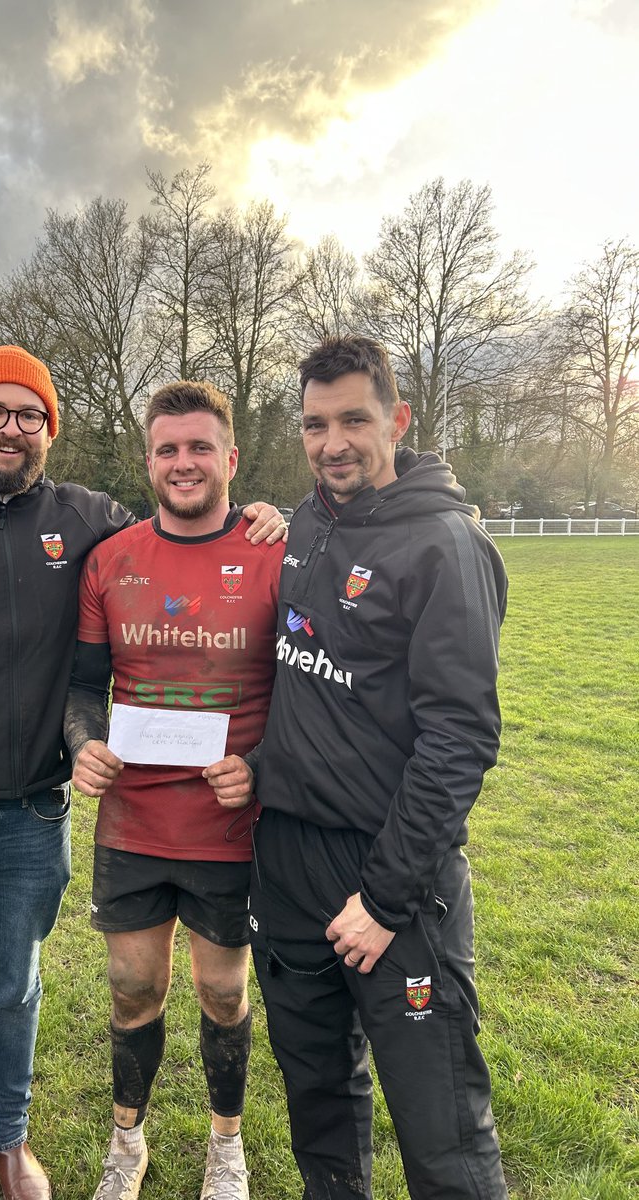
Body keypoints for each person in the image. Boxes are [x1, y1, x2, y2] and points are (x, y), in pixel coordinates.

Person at [0, 346, 284, 1200]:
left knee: (14, 990)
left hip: (32, 813)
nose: (11, 428)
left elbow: (185, 518)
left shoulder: (87, 519)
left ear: (50, 429)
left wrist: (261, 515)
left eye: (29, 414)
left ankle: (7, 1141)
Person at [226, 335, 510, 1199]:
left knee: (441, 1129)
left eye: (354, 420)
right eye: (316, 425)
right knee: (317, 1103)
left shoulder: (445, 545)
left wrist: (384, 900)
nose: (333, 443)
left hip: (393, 878)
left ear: (399, 419)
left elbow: (459, 739)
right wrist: (262, 764)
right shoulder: (306, 525)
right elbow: (316, 678)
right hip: (288, 864)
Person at [63, 381, 283, 1200]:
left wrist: (261, 765)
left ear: (231, 458)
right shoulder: (110, 560)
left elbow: (306, 692)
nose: (183, 462)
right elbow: (83, 688)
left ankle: (227, 1147)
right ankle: (128, 1140)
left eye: (199, 448)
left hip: (229, 825)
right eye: (167, 449)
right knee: (133, 989)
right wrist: (84, 744)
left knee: (224, 992)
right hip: (133, 823)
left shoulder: (275, 554)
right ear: (148, 461)